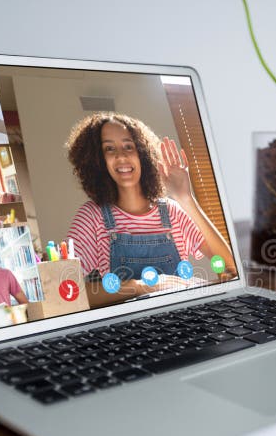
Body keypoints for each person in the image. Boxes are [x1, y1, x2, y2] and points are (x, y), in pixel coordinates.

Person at [65, 113, 236, 305]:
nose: (121, 155)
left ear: (143, 154)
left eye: (128, 146)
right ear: (97, 160)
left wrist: (185, 198)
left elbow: (232, 267)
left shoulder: (173, 212)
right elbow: (66, 292)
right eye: (109, 148)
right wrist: (141, 286)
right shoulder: (92, 216)